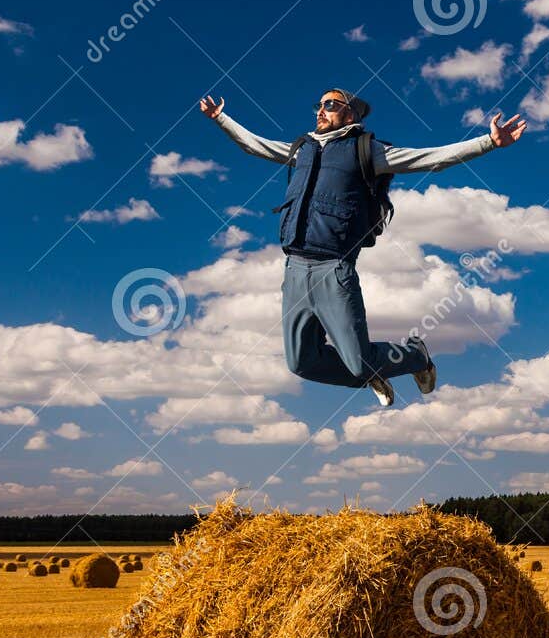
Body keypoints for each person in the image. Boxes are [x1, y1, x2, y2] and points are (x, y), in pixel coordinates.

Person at [198, 88, 527, 405]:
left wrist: (488, 143)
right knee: (302, 363)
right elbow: (256, 146)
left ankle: (414, 355)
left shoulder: (367, 150)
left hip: (334, 268)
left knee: (358, 363)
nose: (321, 110)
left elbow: (430, 159)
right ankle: (374, 370)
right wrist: (220, 118)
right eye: (320, 105)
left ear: (351, 114)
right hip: (294, 268)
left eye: (331, 104)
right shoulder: (302, 149)